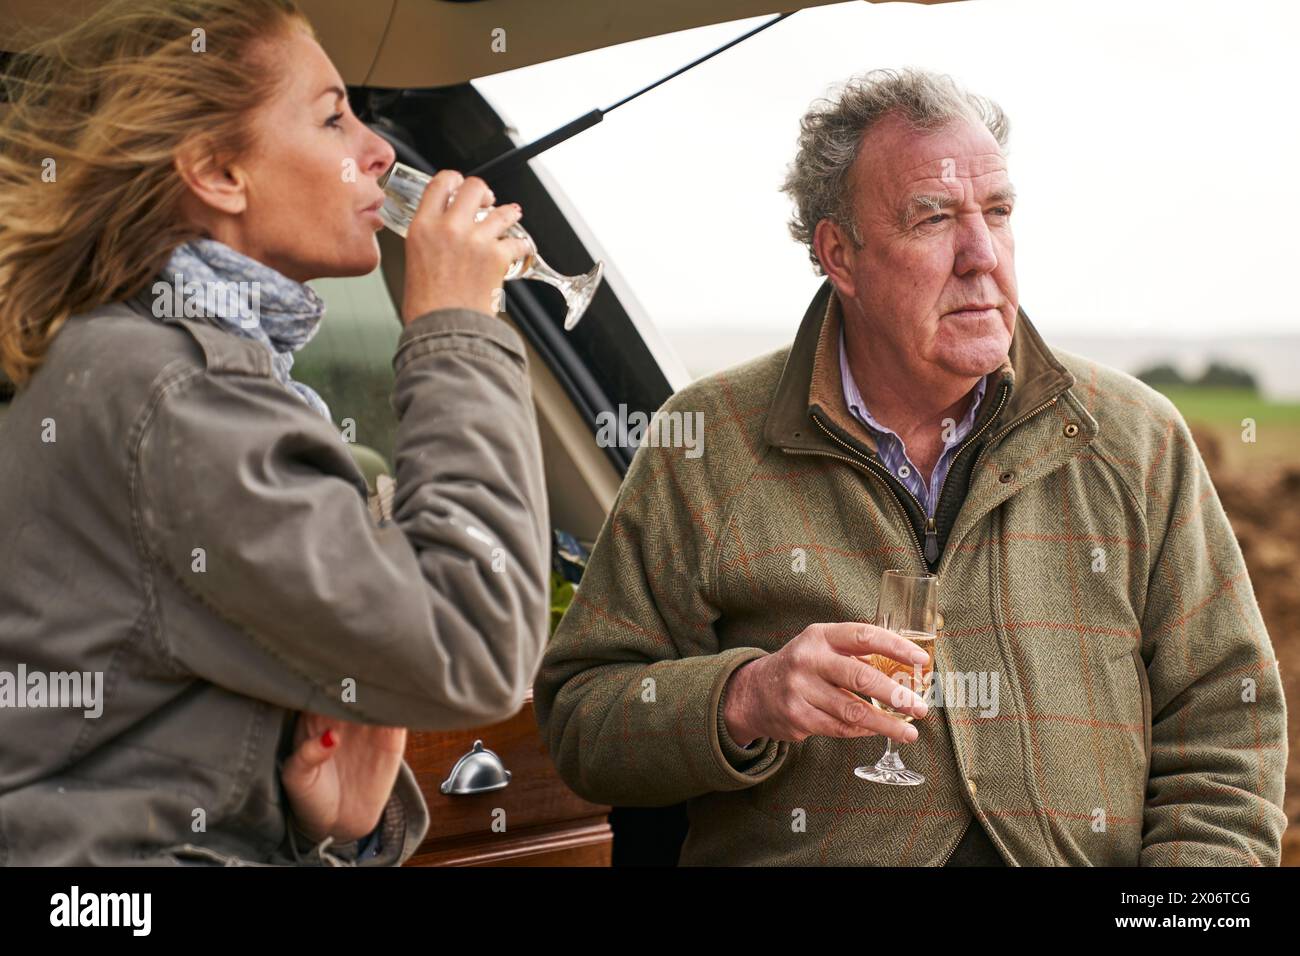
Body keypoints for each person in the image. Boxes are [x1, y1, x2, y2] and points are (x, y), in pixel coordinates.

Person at [534, 68, 1288, 866]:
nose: (981, 255)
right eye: (933, 218)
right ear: (840, 255)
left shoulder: (1135, 439)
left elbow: (1227, 734)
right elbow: (583, 721)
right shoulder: (707, 443)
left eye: (997, 213)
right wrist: (746, 698)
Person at [0, 0, 550, 865]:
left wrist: (324, 827)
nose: (380, 151)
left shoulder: (150, 362)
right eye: (334, 119)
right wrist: (455, 326)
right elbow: (476, 642)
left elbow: (140, 748)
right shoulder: (171, 388)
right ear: (219, 172)